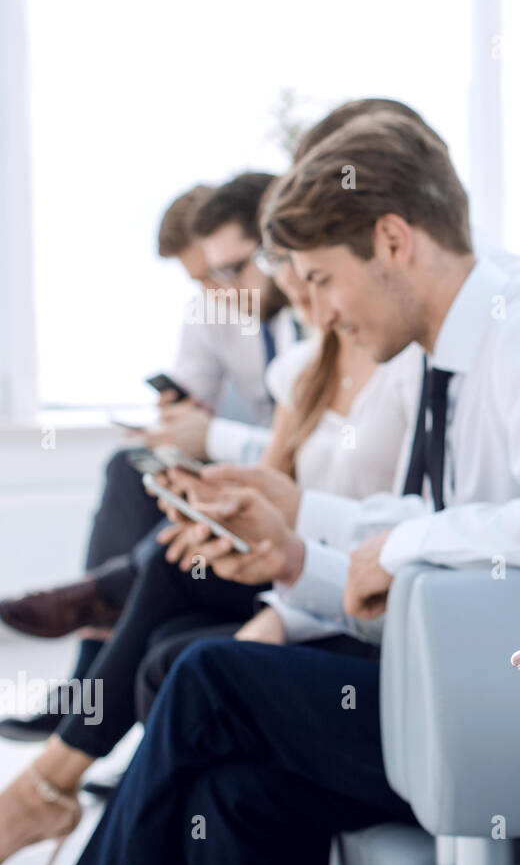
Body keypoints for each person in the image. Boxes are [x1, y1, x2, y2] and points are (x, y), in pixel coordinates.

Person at [64, 107, 520, 865]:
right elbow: (435, 526)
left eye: (322, 279)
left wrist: (398, 546)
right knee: (236, 795)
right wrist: (295, 542)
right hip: (456, 670)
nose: (317, 312)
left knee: (206, 676)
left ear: (394, 240)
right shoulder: (450, 341)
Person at [0, 239, 421, 865]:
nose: (303, 293)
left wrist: (284, 606)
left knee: (186, 654)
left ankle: (55, 787)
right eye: (293, 271)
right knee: (169, 628)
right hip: (319, 576)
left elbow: (400, 529)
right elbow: (273, 489)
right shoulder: (304, 368)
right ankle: (80, 721)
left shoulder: (406, 363)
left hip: (355, 601)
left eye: (314, 272)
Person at [0, 176, 300, 741]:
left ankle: (99, 620)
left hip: (274, 477)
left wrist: (209, 436)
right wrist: (176, 418)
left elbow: (294, 450)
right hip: (235, 457)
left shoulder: (308, 316)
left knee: (170, 547)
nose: (216, 291)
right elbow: (191, 400)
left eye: (226, 272)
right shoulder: (214, 308)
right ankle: (88, 671)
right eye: (202, 277)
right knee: (129, 467)